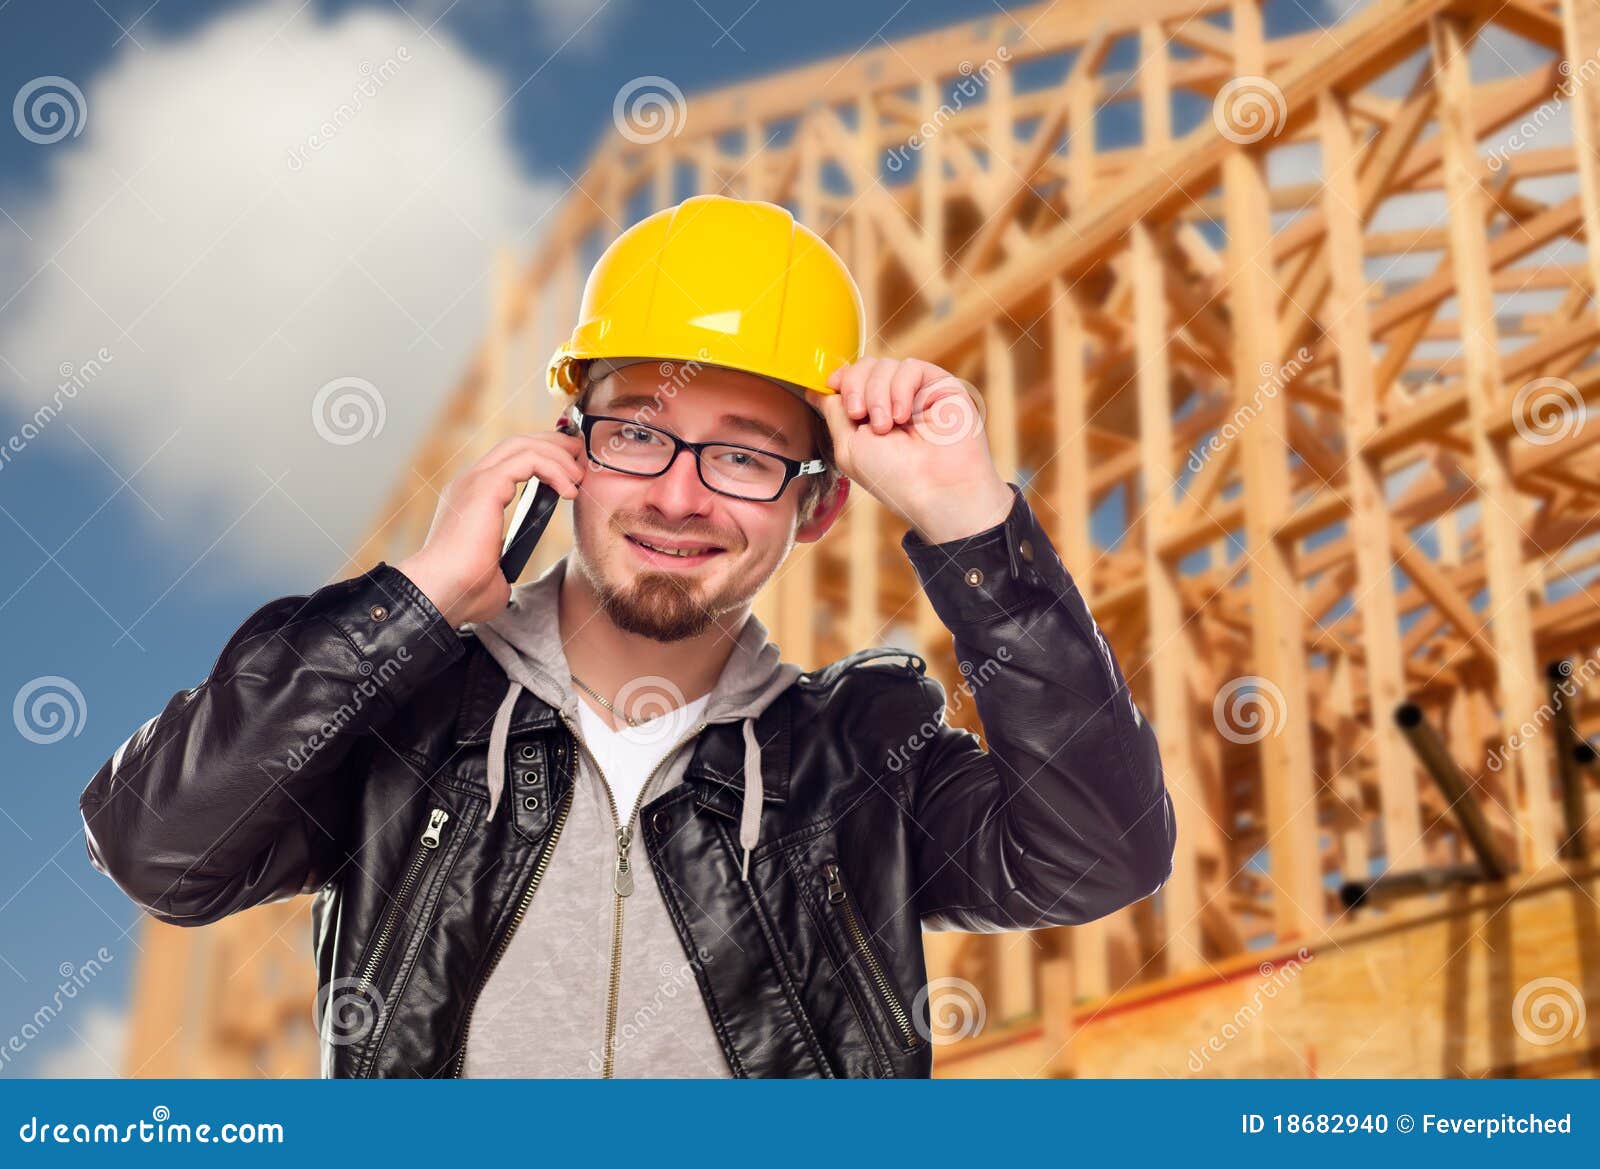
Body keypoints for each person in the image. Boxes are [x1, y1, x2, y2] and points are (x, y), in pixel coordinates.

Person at [78, 194, 1175, 1078]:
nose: (681, 496)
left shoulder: (857, 762)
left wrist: (971, 524)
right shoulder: (405, 718)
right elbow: (159, 846)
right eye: (638, 432)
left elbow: (1099, 852)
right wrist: (413, 599)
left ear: (818, 505)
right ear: (571, 452)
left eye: (743, 456)